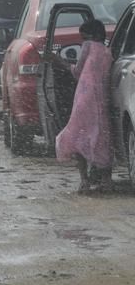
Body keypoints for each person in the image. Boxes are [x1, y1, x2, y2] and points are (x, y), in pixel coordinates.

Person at [44, 19, 113, 193]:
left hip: (84, 98)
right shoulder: (107, 52)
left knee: (78, 135)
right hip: (100, 99)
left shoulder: (88, 46)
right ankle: (106, 180)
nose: (82, 41)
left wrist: (58, 60)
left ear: (90, 36)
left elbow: (77, 71)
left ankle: (84, 180)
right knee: (100, 136)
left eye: (83, 37)